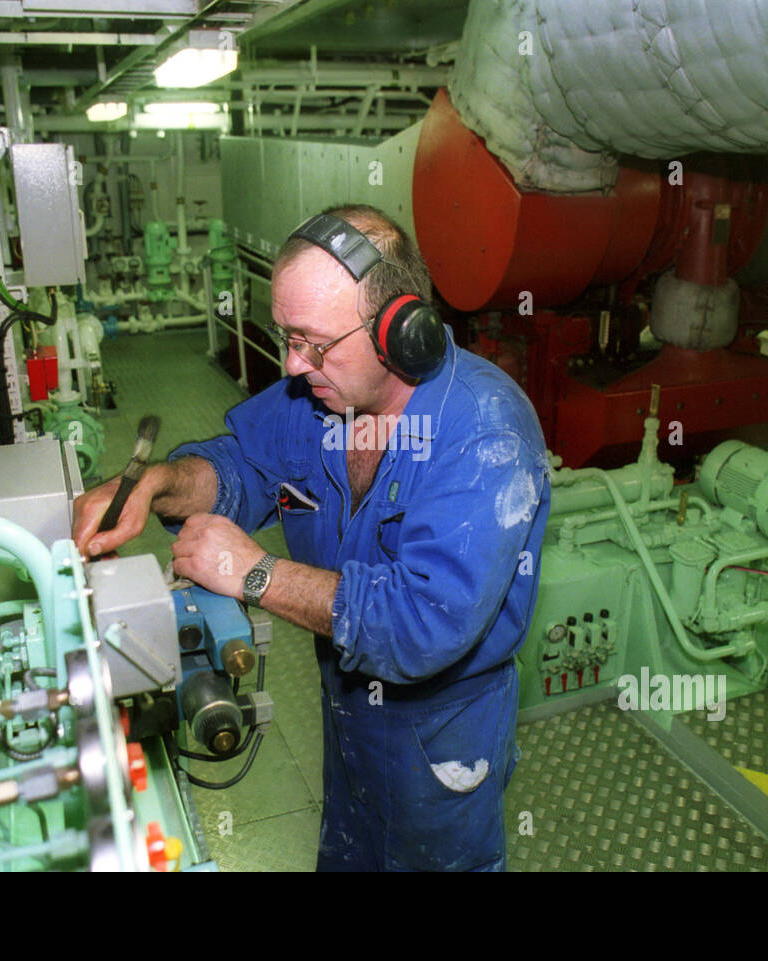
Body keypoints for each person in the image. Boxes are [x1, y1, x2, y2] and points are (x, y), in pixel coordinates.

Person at [72, 204, 550, 871]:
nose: (293, 365)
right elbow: (241, 462)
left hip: (440, 741)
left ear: (399, 330)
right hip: (350, 709)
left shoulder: (483, 433)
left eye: (313, 343)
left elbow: (422, 622)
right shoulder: (323, 399)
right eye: (285, 336)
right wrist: (158, 482)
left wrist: (256, 572)